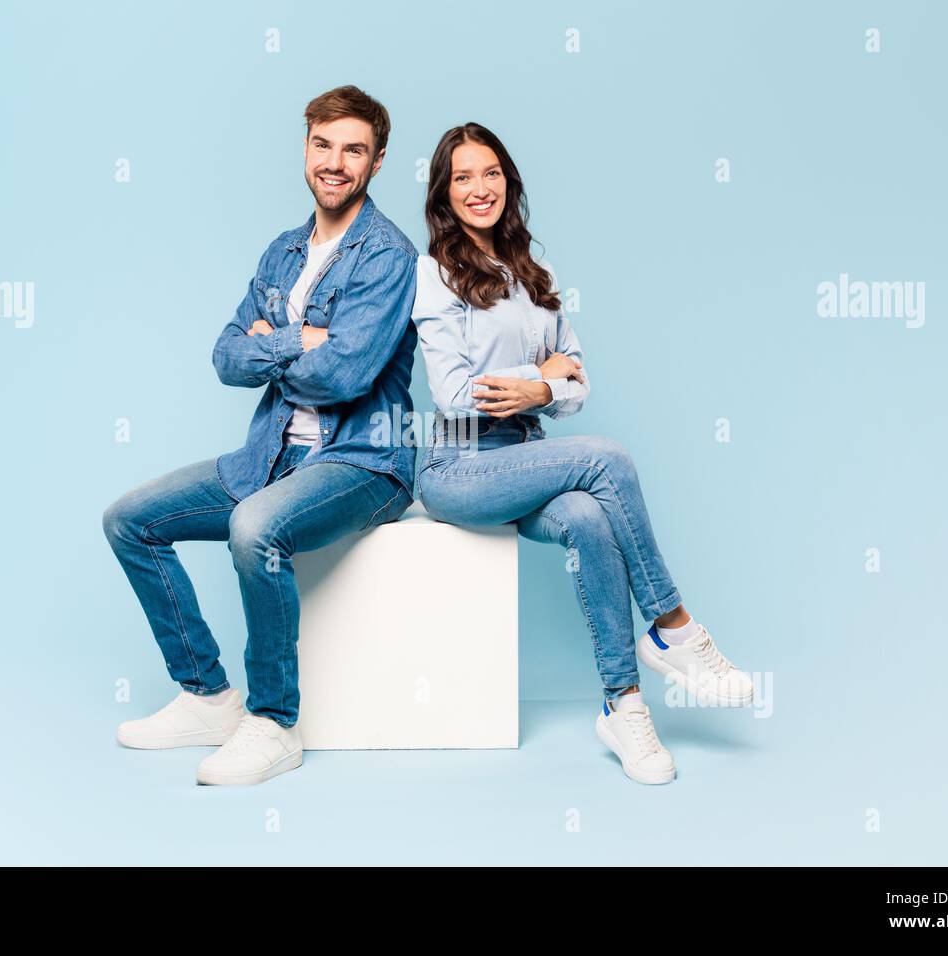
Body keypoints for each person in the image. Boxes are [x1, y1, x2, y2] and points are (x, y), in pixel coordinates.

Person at [411, 123, 753, 785]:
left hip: (523, 458)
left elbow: (580, 384)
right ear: (443, 194)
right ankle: (674, 628)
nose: (480, 189)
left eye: (491, 173)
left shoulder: (536, 272)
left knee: (592, 520)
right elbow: (455, 395)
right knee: (606, 459)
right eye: (462, 177)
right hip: (456, 467)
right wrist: (544, 376)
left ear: (508, 180)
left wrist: (544, 384)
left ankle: (623, 706)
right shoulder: (434, 274)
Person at [102, 86, 417, 786]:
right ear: (306, 148)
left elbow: (347, 374)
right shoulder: (281, 252)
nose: (335, 163)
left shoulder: (388, 257)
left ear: (378, 161)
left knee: (253, 529)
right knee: (129, 520)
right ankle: (209, 698)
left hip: (364, 461)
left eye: (353, 150)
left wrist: (272, 345)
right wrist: (300, 340)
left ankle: (274, 723)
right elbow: (223, 358)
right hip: (270, 453)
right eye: (323, 145)